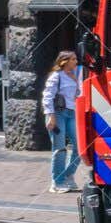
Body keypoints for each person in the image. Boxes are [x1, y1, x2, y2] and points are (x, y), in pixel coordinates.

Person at [41, 50, 82, 194]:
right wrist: (51, 116)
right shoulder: (56, 76)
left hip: (72, 113)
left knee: (80, 147)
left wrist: (77, 83)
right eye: (73, 59)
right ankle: (57, 182)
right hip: (58, 114)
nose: (76, 62)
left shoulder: (76, 75)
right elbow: (47, 97)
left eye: (76, 59)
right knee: (60, 149)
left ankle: (68, 175)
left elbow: (77, 95)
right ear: (64, 61)